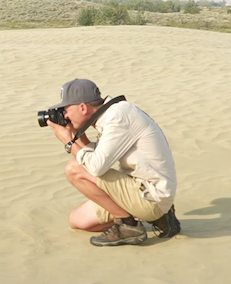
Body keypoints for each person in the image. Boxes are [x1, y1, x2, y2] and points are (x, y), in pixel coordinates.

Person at [44, 78, 180, 246]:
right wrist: (77, 135)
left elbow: (95, 167)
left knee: (73, 169)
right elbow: (98, 156)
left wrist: (68, 141)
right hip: (137, 188)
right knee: (77, 220)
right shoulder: (110, 115)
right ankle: (154, 218)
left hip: (152, 195)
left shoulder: (118, 117)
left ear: (82, 107)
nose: (64, 115)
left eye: (65, 109)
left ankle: (129, 225)